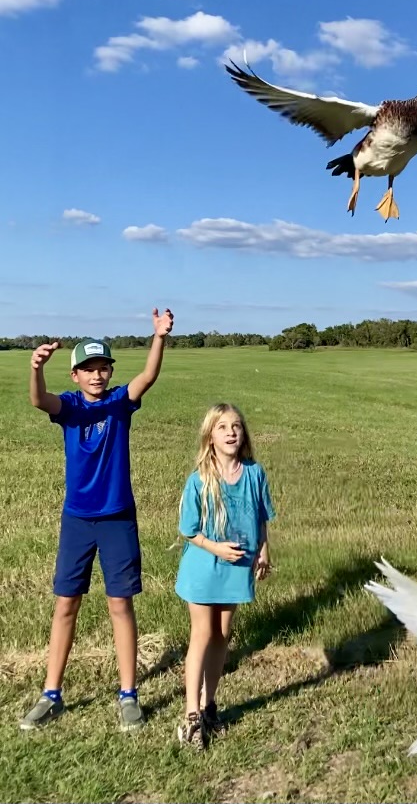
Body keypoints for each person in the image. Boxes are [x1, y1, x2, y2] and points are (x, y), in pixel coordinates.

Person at [20, 307, 174, 733]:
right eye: (88, 369)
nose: (97, 375)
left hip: (117, 517)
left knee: (119, 604)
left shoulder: (120, 403)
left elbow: (147, 378)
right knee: (66, 603)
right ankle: (51, 694)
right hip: (77, 520)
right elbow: (38, 400)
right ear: (75, 375)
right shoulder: (68, 408)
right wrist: (36, 368)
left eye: (102, 367)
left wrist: (158, 337)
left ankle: (128, 694)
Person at [175, 403, 275, 749]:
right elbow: (188, 530)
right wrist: (216, 548)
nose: (231, 432)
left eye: (236, 426)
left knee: (223, 633)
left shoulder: (254, 473)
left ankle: (209, 704)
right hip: (204, 566)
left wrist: (263, 549)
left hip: (238, 566)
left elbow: (261, 515)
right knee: (202, 633)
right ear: (210, 436)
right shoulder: (200, 479)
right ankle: (190, 715)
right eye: (222, 427)